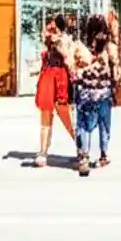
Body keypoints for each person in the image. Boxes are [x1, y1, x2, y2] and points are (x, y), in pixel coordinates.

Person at [72, 14, 120, 177]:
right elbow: (116, 73)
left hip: (85, 93)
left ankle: (84, 158)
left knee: (84, 125)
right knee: (104, 124)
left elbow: (73, 68)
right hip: (104, 93)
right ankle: (103, 156)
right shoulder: (109, 47)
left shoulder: (81, 47)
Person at [33, 16, 77, 168]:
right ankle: (43, 151)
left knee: (66, 115)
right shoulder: (49, 41)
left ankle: (82, 148)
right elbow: (43, 40)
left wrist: (58, 43)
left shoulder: (66, 40)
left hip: (60, 79)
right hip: (48, 77)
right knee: (45, 112)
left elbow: (69, 59)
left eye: (52, 26)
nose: (49, 29)